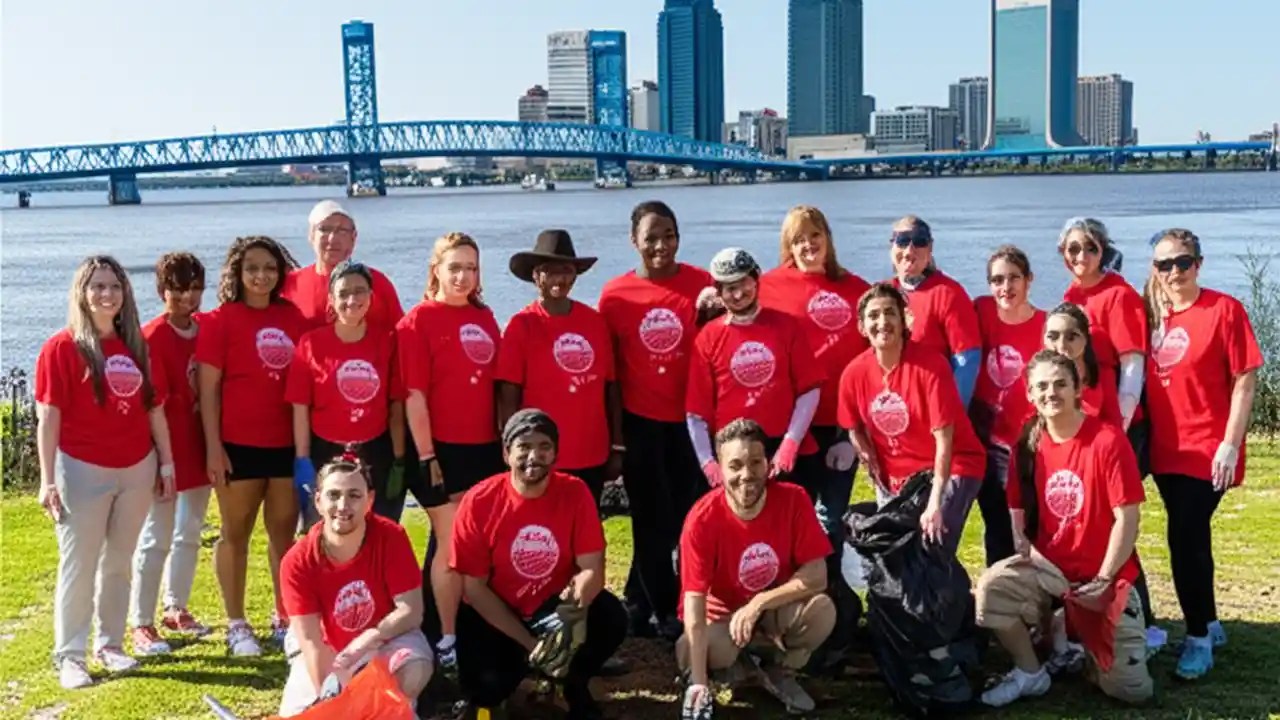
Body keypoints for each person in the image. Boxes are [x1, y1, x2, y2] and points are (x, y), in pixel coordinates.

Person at [975, 350, 1153, 708]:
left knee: (1132, 692)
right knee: (991, 591)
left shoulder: (1107, 440)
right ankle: (1030, 672)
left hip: (1104, 579)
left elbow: (1127, 518)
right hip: (1050, 572)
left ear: (1078, 389)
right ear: (1028, 392)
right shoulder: (1025, 446)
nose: (1050, 393)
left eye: (1060, 384)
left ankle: (1080, 646)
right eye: (1041, 386)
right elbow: (1018, 520)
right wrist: (1038, 563)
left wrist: (1103, 579)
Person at [34, 255, 176, 689]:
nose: (106, 294)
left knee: (119, 562)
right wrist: (47, 479)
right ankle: (71, 655)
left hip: (136, 468)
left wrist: (166, 463)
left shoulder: (136, 347)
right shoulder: (62, 347)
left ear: (124, 295)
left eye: (114, 286)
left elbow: (155, 410)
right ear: (82, 292)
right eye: (97, 286)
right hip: (83, 471)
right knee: (80, 563)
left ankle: (111, 644)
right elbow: (49, 417)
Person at [451, 410, 628, 720]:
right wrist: (531, 644)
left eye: (544, 446)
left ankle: (568, 682)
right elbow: (474, 588)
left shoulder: (575, 492)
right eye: (524, 446)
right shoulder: (479, 501)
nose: (535, 455)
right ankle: (515, 679)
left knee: (611, 617)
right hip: (499, 611)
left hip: (552, 609)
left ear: (556, 452)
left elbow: (592, 568)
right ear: (507, 454)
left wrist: (574, 609)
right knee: (486, 688)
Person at [1142, 228, 1262, 679]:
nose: (1174, 271)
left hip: (1208, 449)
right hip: (1165, 450)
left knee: (1184, 536)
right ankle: (1209, 621)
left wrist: (1230, 443)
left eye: (1182, 262)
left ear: (1199, 263)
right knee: (1194, 537)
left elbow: (1245, 379)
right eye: (1164, 264)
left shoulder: (1224, 310)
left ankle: (1196, 639)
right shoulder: (1152, 313)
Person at [598, 201, 714, 641]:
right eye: (651, 237)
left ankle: (644, 600)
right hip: (641, 422)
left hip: (691, 424)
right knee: (650, 520)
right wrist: (615, 438)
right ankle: (664, 611)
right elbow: (608, 373)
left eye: (669, 235)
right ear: (634, 241)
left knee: (687, 518)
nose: (661, 245)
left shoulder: (702, 284)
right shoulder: (615, 295)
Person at [396, 231, 505, 668]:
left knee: (476, 542)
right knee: (450, 540)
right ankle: (445, 637)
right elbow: (414, 395)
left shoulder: (485, 316)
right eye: (455, 267)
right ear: (436, 270)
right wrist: (427, 456)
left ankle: (467, 620)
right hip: (441, 449)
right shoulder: (418, 321)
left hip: (485, 446)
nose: (463, 276)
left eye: (472, 268)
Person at [677, 418, 836, 717]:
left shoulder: (794, 499)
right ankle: (734, 669)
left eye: (755, 462)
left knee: (822, 611)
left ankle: (779, 668)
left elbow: (817, 575)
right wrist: (697, 683)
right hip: (721, 617)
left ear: (768, 463)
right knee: (696, 649)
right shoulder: (702, 519)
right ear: (719, 469)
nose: (746, 474)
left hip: (774, 610)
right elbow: (693, 603)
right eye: (735, 465)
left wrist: (759, 603)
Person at [197, 235, 307, 655]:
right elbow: (208, 392)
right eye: (252, 268)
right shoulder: (221, 320)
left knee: (283, 535)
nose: (261, 276)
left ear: (280, 274)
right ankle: (236, 623)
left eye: (270, 268)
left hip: (284, 446)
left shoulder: (294, 318)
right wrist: (213, 448)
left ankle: (284, 617)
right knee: (234, 533)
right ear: (238, 274)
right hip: (237, 445)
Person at [277, 449, 433, 716]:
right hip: (325, 649)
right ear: (317, 501)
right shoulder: (297, 560)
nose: (343, 506)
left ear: (370, 500)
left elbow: (411, 611)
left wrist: (367, 640)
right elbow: (312, 642)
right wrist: (335, 697)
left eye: (354, 495)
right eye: (333, 495)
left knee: (415, 670)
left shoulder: (391, 536)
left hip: (385, 640)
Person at [836, 283, 986, 554]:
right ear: (861, 326)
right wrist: (867, 456)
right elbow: (852, 426)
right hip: (898, 476)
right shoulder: (853, 374)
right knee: (895, 554)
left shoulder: (931, 367)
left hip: (954, 466)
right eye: (873, 316)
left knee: (931, 547)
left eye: (890, 313)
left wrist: (935, 504)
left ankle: (950, 594)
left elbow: (945, 441)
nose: (882, 322)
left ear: (904, 319)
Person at [759, 205, 871, 565]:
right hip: (791, 425)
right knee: (793, 513)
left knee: (832, 516)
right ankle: (793, 592)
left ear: (828, 238)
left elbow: (875, 360)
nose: (809, 245)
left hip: (840, 423)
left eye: (815, 235)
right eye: (799, 239)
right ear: (788, 246)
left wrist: (855, 434)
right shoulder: (767, 287)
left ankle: (831, 593)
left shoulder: (856, 289)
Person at [495, 229, 623, 502]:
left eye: (565, 270)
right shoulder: (522, 326)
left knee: (587, 529)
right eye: (549, 271)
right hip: (540, 454)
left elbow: (610, 387)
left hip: (591, 450)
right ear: (535, 276)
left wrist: (617, 445)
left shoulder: (595, 322)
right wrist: (511, 448)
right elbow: (508, 396)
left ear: (575, 275)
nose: (559, 279)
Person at [129, 253, 214, 655]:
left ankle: (175, 606)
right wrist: (162, 460)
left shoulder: (207, 331)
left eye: (195, 288)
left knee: (191, 530)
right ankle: (141, 622)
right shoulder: (150, 338)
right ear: (162, 290)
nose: (187, 297)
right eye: (178, 289)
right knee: (156, 536)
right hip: (164, 448)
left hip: (201, 444)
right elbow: (154, 402)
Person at [686, 247, 824, 491]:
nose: (739, 294)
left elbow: (809, 389)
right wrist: (708, 462)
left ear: (756, 279)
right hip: (732, 452)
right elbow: (697, 412)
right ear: (719, 292)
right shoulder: (707, 337)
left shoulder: (787, 326)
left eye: (744, 283)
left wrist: (790, 443)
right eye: (729, 288)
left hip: (783, 447)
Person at [286, 260, 407, 523]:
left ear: (371, 296)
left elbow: (396, 405)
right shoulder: (311, 344)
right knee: (325, 531)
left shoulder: (386, 342)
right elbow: (300, 407)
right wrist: (303, 458)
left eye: (360, 291)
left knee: (378, 530)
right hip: (324, 450)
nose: (352, 299)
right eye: (343, 293)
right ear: (331, 298)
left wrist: (399, 459)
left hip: (376, 451)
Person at [971, 245, 1045, 566]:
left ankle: (1041, 598)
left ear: (1029, 280)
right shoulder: (981, 314)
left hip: (1029, 443)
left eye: (1014, 278)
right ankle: (998, 600)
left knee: (1034, 524)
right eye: (997, 280)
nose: (1006, 287)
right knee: (996, 526)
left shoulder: (1046, 325)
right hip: (988, 442)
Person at [1059, 217, 1147, 432]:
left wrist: (1121, 422)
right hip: (1083, 411)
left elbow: (1132, 365)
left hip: (1113, 414)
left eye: (1091, 249)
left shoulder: (1119, 295)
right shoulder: (1072, 294)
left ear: (1103, 253)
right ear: (1063, 252)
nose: (1082, 256)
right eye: (1074, 249)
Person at [885, 216, 982, 406]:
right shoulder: (882, 293)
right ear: (892, 248)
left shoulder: (949, 294)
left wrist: (950, 416)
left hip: (931, 408)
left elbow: (966, 364)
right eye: (902, 241)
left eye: (919, 242)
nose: (909, 251)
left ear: (930, 250)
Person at [282, 200, 404, 332]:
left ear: (353, 238)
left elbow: (402, 336)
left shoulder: (377, 283)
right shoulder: (291, 284)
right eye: (324, 229)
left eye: (342, 231)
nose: (332, 239)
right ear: (311, 236)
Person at [1042, 305, 1121, 429]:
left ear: (1085, 339)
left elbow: (1114, 425)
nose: (1061, 346)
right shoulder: (1035, 375)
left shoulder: (1102, 375)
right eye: (1053, 337)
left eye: (1071, 337)